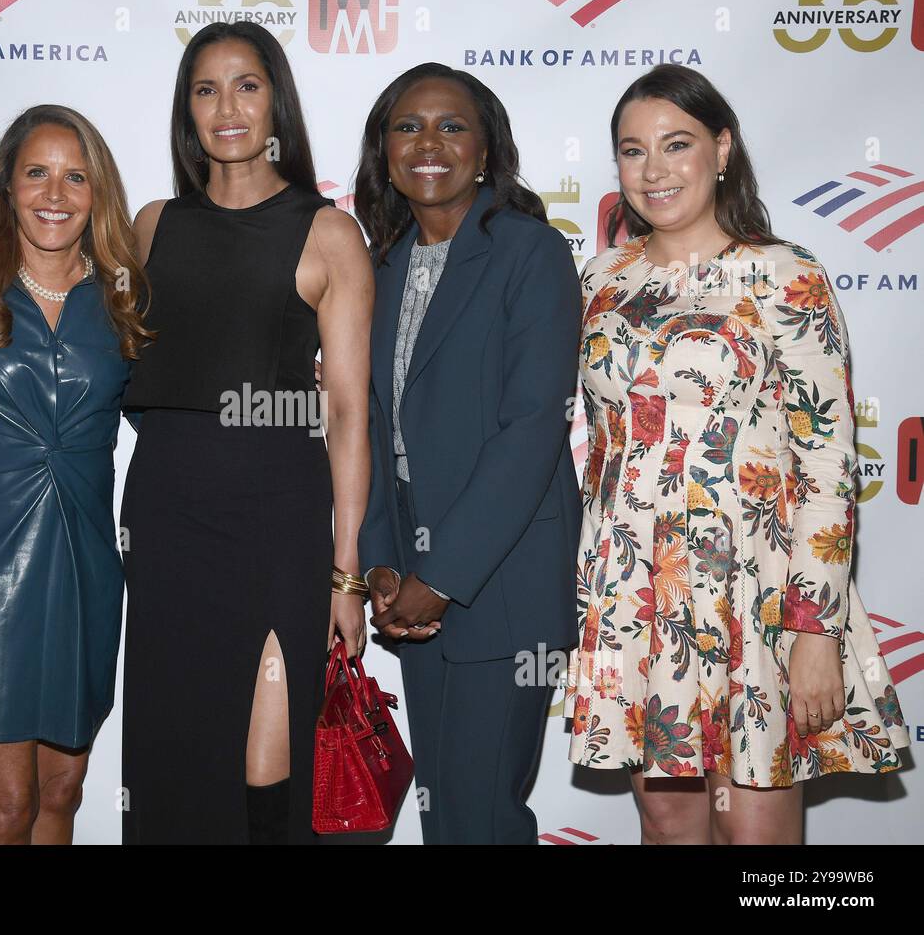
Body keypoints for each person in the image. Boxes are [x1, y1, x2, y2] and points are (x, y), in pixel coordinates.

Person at [565, 64, 910, 843]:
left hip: (757, 586)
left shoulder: (790, 277)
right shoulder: (598, 280)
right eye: (632, 150)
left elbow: (827, 466)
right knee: (667, 817)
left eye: (676, 144)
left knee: (755, 826)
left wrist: (814, 630)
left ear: (722, 149)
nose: (653, 170)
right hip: (635, 588)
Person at [119, 21, 374, 844]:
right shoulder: (152, 225)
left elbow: (346, 415)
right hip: (166, 511)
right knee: (173, 748)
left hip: (277, 519)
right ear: (186, 109)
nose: (226, 107)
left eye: (247, 85)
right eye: (205, 88)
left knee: (267, 756)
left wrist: (345, 576)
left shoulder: (327, 232)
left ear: (278, 106)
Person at [355, 63, 582, 844]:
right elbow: (378, 431)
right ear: (383, 149)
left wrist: (441, 578)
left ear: (486, 151)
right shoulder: (380, 266)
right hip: (415, 595)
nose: (428, 143)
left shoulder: (531, 253)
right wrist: (382, 565)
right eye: (407, 126)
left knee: (481, 816)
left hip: (499, 587)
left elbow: (532, 429)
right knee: (446, 812)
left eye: (452, 126)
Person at [0, 106, 150, 844]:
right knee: (6, 807)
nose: (56, 192)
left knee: (63, 789)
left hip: (86, 564)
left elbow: (177, 405)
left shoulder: (127, 297)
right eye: (37, 173)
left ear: (97, 191)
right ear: (7, 188)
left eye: (75, 175)